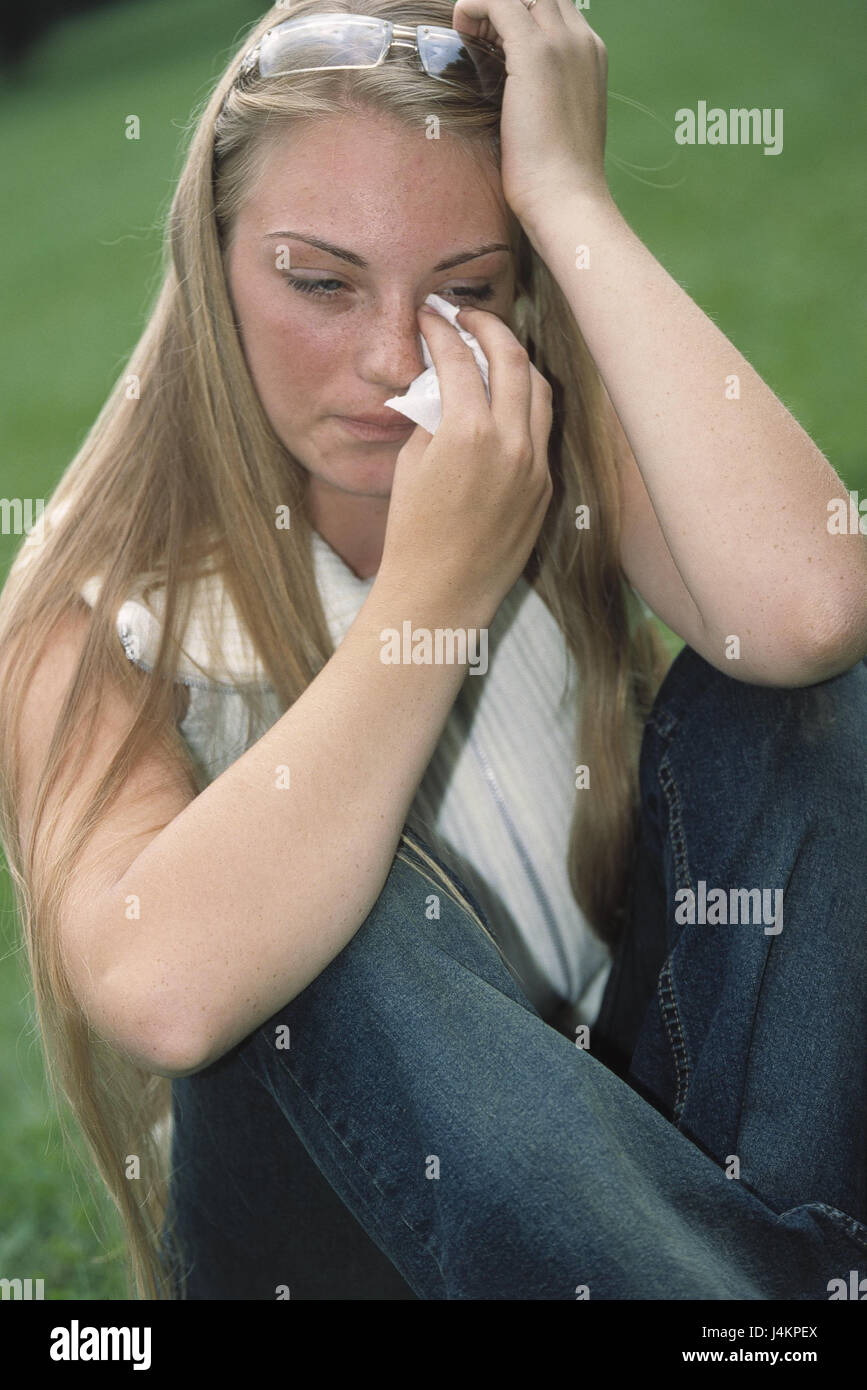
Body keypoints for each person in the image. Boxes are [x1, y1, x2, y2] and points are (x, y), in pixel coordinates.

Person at [1, 0, 865, 1301]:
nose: (396, 357)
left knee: (802, 705)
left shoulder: (538, 432)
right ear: (210, 256)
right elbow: (161, 984)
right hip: (347, 1236)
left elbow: (815, 611)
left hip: (651, 1175)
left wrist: (572, 196)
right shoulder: (89, 607)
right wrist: (435, 591)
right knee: (302, 898)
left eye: (466, 287)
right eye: (319, 281)